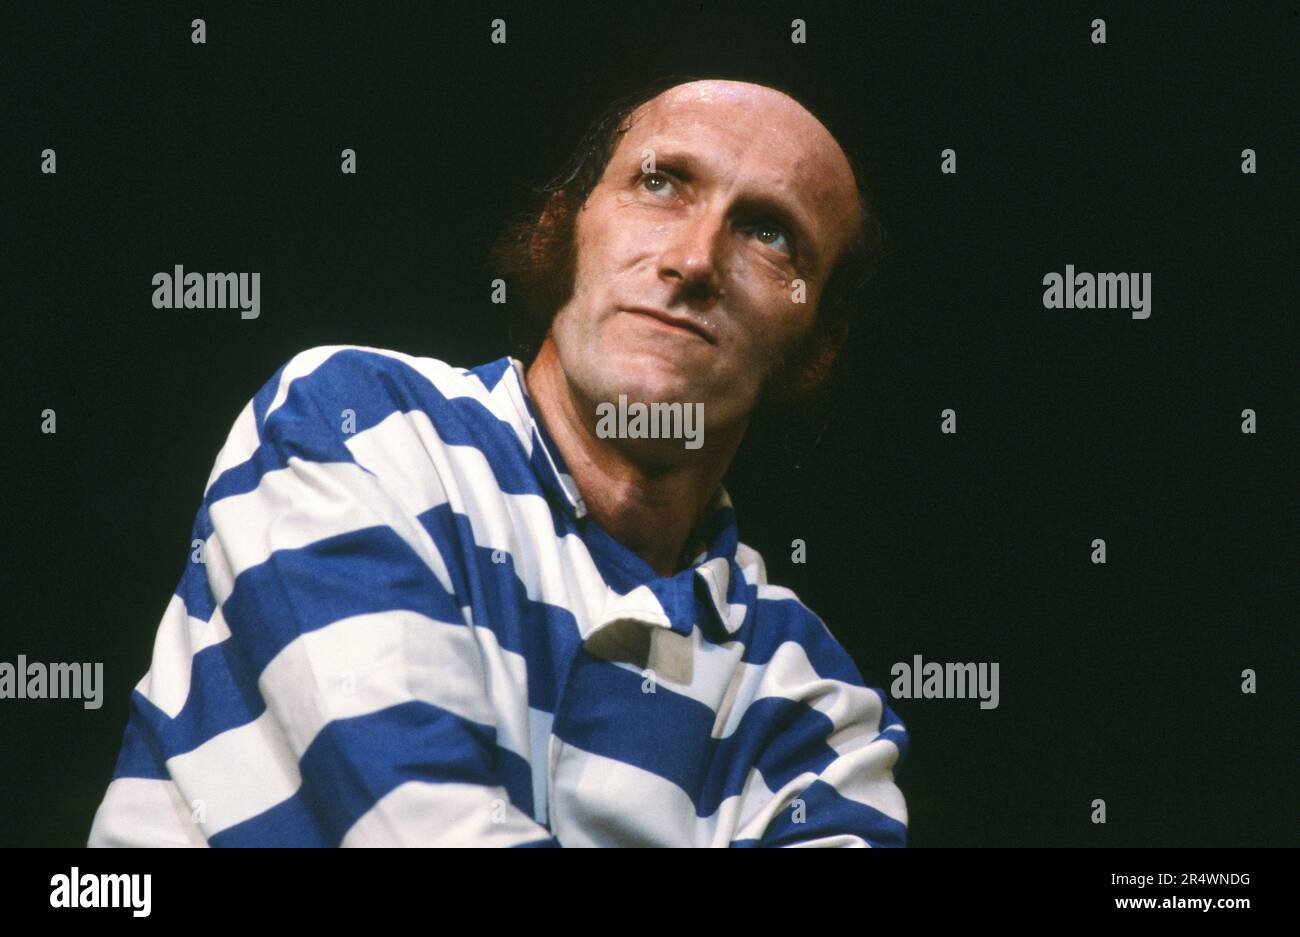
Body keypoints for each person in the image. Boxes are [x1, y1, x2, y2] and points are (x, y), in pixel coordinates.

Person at [88, 78, 909, 847]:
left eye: (770, 233)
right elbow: (421, 825)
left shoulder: (817, 708)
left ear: (818, 345)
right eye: (659, 185)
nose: (693, 261)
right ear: (566, 227)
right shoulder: (361, 423)